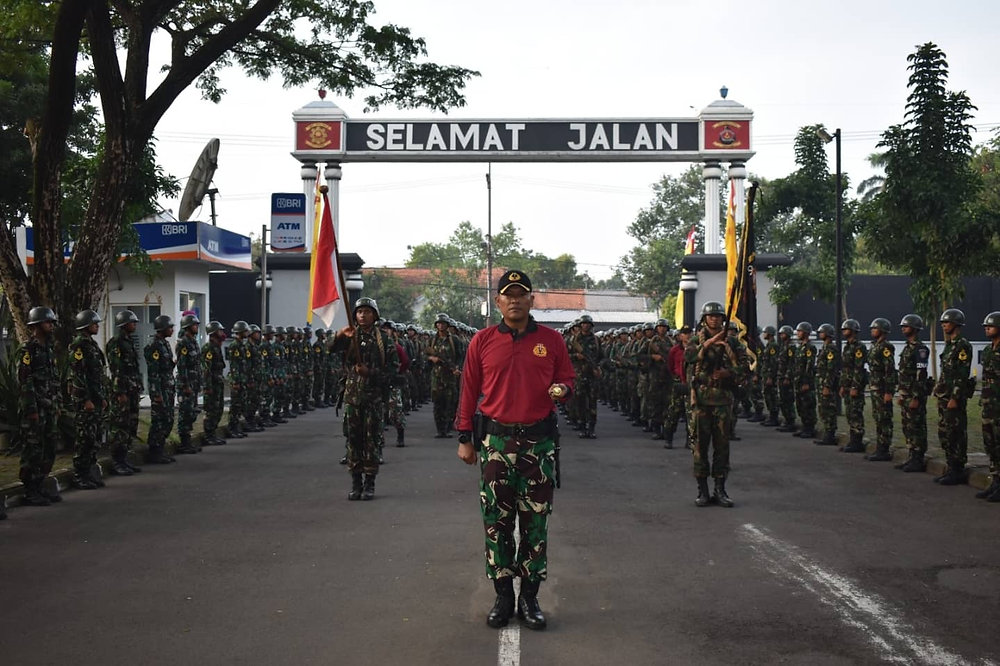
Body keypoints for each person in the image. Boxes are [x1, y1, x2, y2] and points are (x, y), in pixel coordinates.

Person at [456, 270, 574, 631]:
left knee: (535, 523)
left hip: (538, 445)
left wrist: (563, 391)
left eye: (522, 294)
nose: (515, 300)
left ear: (532, 300)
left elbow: (567, 378)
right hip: (496, 445)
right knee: (498, 523)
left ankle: (530, 597)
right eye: (508, 295)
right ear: (499, 302)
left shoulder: (552, 340)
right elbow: (469, 389)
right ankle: (504, 595)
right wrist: (464, 436)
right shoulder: (483, 340)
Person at [331, 297, 400, 501]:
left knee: (371, 441)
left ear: (375, 315)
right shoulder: (350, 336)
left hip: (373, 399)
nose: (363, 315)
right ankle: (355, 483)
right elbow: (330, 349)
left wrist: (370, 372)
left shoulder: (384, 340)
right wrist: (339, 335)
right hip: (352, 397)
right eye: (359, 312)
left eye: (367, 311)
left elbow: (394, 371)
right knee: (353, 440)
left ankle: (369, 483)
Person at [686, 302, 744, 508]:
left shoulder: (733, 342)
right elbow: (690, 357)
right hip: (701, 400)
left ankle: (720, 489)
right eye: (710, 316)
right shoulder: (696, 339)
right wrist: (709, 343)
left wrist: (728, 373)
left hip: (722, 399)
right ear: (704, 319)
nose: (714, 319)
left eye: (718, 316)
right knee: (700, 446)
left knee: (722, 447)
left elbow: (747, 367)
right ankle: (703, 490)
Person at [17, 306, 63, 506]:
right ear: (36, 326)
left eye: (52, 322)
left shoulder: (49, 349)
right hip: (35, 408)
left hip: (50, 407)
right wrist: (31, 410)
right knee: (33, 449)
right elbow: (25, 381)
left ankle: (39, 484)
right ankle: (29, 489)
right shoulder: (28, 350)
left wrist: (58, 402)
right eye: (47, 322)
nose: (51, 325)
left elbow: (54, 379)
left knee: (49, 448)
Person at [68, 309, 109, 489]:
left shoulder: (91, 345)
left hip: (96, 398)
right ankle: (79, 474)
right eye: (94, 323)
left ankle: (88, 472)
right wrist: (85, 399)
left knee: (94, 437)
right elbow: (78, 374)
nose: (97, 326)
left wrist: (102, 397)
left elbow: (97, 375)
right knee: (84, 437)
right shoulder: (79, 346)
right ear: (85, 326)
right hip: (86, 401)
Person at [933, 308, 973, 486]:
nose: (943, 325)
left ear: (956, 324)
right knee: (945, 432)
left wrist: (955, 397)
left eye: (946, 322)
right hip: (944, 396)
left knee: (956, 432)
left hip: (953, 399)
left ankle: (958, 469)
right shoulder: (949, 345)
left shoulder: (963, 345)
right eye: (942, 323)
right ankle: (951, 467)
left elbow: (962, 374)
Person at [106, 310, 144, 475]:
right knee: (120, 426)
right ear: (124, 324)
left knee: (130, 425)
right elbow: (117, 370)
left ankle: (124, 459)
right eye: (132, 322)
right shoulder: (116, 343)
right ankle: (117, 461)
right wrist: (120, 392)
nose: (135, 324)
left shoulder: (129, 342)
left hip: (132, 389)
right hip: (123, 391)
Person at [895, 315, 931, 471]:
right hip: (906, 393)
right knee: (907, 426)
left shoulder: (920, 349)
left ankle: (918, 458)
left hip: (915, 394)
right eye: (902, 326)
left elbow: (920, 374)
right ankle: (911, 456)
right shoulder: (907, 347)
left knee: (916, 426)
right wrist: (901, 393)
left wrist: (916, 396)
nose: (903, 328)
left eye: (906, 326)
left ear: (915, 329)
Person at [144, 315, 177, 464]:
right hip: (160, 389)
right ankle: (154, 451)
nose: (172, 330)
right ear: (162, 328)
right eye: (170, 327)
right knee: (158, 420)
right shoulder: (154, 345)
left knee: (168, 419)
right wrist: (156, 393)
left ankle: (160, 449)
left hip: (168, 387)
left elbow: (166, 366)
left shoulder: (165, 344)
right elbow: (153, 372)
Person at [427, 312, 462, 438]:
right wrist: (432, 358)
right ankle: (439, 429)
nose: (441, 326)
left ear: (447, 325)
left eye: (443, 324)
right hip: (436, 376)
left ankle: (447, 429)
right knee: (437, 403)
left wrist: (457, 368)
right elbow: (424, 355)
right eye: (439, 323)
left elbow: (460, 356)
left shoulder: (454, 340)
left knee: (449, 403)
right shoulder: (432, 340)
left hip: (450, 376)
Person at [568, 313, 603, 438]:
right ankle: (582, 427)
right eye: (583, 324)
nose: (585, 326)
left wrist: (598, 367)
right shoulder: (573, 341)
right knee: (580, 402)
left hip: (592, 375)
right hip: (579, 375)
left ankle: (592, 428)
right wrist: (576, 356)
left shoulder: (596, 340)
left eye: (588, 324)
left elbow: (602, 357)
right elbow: (565, 357)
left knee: (593, 402)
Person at [977, 311, 1000, 501]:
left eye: (990, 326)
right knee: (990, 445)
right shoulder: (987, 351)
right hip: (988, 405)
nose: (987, 328)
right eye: (986, 326)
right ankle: (995, 481)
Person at [866, 318, 897, 462]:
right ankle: (880, 448)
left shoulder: (886, 347)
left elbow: (889, 370)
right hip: (875, 388)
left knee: (884, 419)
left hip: (882, 389)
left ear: (882, 330)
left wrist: (889, 392)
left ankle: (884, 449)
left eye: (875, 328)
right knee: (878, 418)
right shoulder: (874, 346)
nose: (872, 330)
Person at [174, 313, 202, 454]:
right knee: (185, 412)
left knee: (191, 412)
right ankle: (184, 442)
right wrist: (185, 386)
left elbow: (197, 364)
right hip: (186, 384)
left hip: (194, 383)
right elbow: (182, 365)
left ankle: (188, 440)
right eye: (194, 325)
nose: (197, 327)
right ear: (187, 327)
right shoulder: (183, 343)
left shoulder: (194, 342)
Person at [839, 319, 868, 453]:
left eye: (846, 329)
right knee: (850, 413)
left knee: (856, 413)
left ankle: (857, 441)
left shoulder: (859, 347)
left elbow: (858, 368)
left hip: (855, 386)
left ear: (853, 331)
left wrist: (855, 387)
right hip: (847, 385)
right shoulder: (847, 346)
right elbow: (845, 369)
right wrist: (843, 386)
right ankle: (852, 440)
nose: (844, 331)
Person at [201, 321, 228, 446]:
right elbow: (206, 369)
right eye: (220, 331)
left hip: (217, 383)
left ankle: (213, 433)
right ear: (213, 333)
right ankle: (208, 435)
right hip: (211, 384)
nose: (222, 333)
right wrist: (207, 386)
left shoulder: (217, 347)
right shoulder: (209, 348)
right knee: (211, 410)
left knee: (218, 409)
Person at [814, 323, 840, 446]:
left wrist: (827, 386)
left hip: (826, 384)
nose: (820, 333)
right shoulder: (824, 348)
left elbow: (831, 369)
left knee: (829, 409)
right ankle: (827, 433)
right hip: (821, 383)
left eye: (822, 332)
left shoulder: (831, 349)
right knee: (823, 409)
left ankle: (830, 435)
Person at [792, 322, 818, 439]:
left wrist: (807, 382)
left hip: (805, 382)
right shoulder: (800, 347)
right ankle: (804, 426)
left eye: (800, 331)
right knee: (800, 405)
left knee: (808, 405)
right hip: (798, 381)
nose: (798, 333)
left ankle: (810, 428)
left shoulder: (810, 348)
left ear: (806, 333)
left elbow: (809, 365)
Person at [775, 325, 798, 432]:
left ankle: (791, 421)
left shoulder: (791, 347)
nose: (781, 336)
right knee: (782, 400)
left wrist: (788, 377)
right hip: (781, 376)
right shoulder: (784, 346)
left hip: (786, 377)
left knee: (788, 399)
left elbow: (791, 363)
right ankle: (786, 420)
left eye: (783, 334)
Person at [758, 326, 780, 427]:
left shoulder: (773, 346)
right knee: (767, 396)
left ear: (769, 334)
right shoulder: (769, 345)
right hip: (766, 375)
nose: (763, 334)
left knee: (772, 396)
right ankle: (771, 417)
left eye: (765, 332)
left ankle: (774, 417)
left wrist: (770, 377)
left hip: (770, 376)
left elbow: (773, 362)